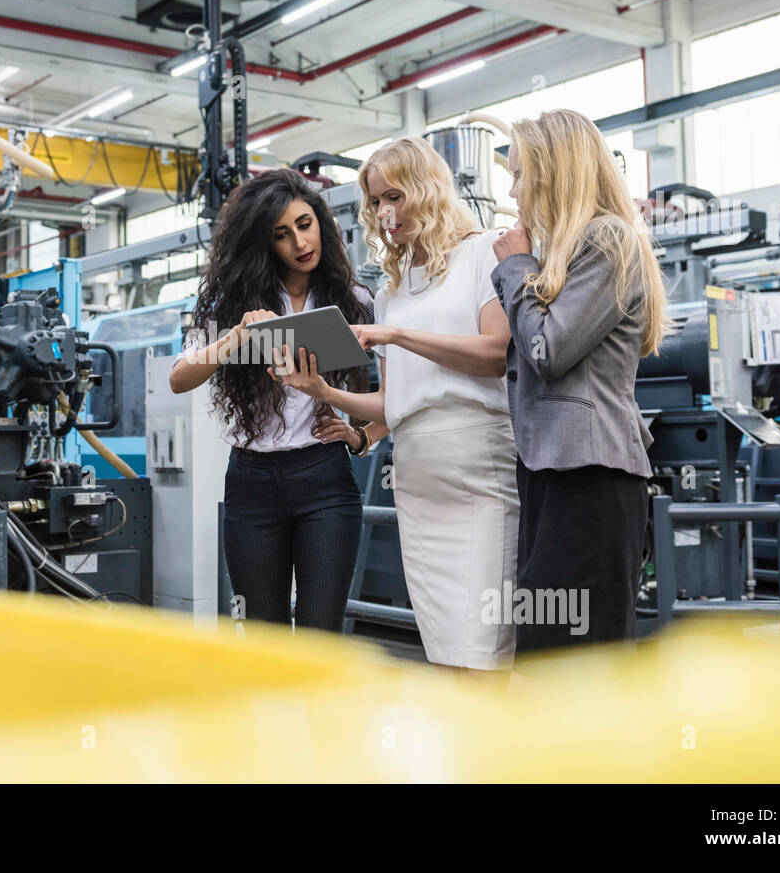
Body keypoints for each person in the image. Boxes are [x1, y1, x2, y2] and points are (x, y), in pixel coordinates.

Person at [272, 137, 518, 677]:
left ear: (428, 191)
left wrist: (398, 334)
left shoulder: (484, 254)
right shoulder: (393, 291)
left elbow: (494, 354)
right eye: (376, 202)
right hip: (416, 477)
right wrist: (325, 395)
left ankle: (506, 757)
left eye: (395, 197)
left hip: (478, 471)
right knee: (445, 653)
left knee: (484, 650)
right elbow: (393, 400)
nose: (385, 213)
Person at [490, 108, 669, 653]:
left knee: (579, 659)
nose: (515, 190)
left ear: (553, 171)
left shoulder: (609, 240)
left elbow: (547, 350)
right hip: (552, 472)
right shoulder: (564, 252)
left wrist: (517, 267)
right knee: (549, 650)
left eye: (520, 174)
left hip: (591, 476)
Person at [169, 168, 374, 632]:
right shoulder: (232, 304)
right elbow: (180, 379)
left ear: (320, 220)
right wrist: (236, 337)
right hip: (252, 485)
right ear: (264, 243)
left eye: (305, 224)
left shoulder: (354, 299)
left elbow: (403, 390)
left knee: (321, 636)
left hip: (324, 478)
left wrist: (362, 437)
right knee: (265, 638)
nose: (300, 243)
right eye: (282, 235)